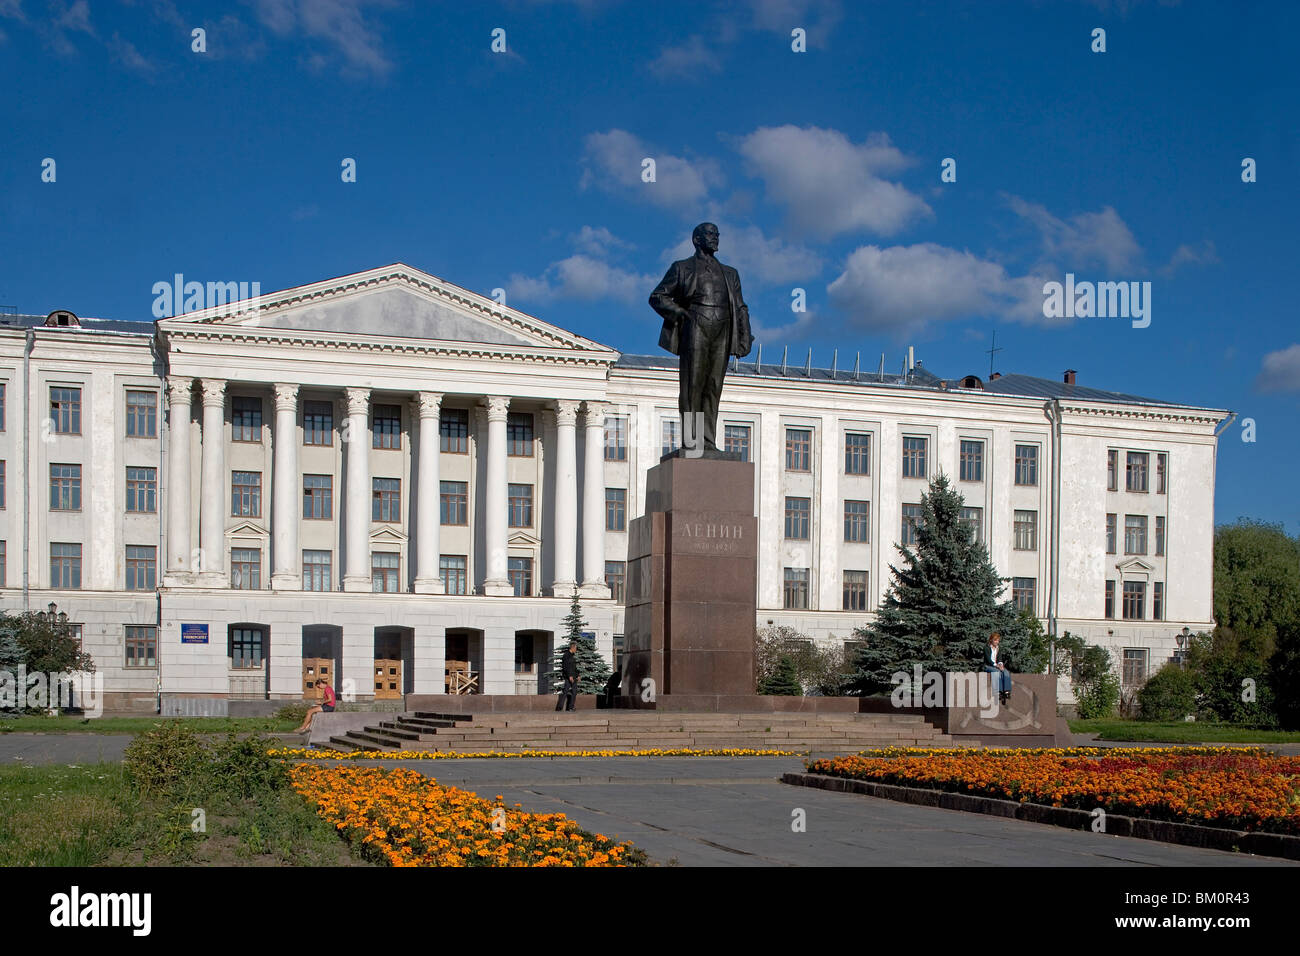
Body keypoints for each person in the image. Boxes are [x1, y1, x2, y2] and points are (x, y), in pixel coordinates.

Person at [648, 222, 754, 454]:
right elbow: (657, 297)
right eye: (709, 234)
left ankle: (707, 441)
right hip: (696, 324)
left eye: (717, 234)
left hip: (723, 330)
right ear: (696, 239)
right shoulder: (682, 268)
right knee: (693, 385)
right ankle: (691, 442)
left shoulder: (730, 273)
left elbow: (741, 306)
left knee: (713, 385)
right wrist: (682, 314)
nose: (715, 238)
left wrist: (745, 335)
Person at [982, 632, 1012, 705]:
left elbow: (999, 659)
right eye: (995, 640)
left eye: (998, 640)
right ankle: (998, 692)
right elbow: (988, 660)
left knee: (1006, 672)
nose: (997, 642)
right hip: (988, 666)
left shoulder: (998, 648)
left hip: (996, 665)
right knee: (996, 672)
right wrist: (996, 666)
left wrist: (1001, 665)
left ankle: (1006, 691)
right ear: (991, 640)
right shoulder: (986, 648)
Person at [556, 639, 579, 712]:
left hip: (573, 677)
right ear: (572, 647)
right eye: (576, 648)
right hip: (569, 677)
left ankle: (569, 707)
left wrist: (578, 675)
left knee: (573, 692)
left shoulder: (572, 656)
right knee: (566, 691)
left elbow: (574, 667)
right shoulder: (566, 655)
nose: (576, 650)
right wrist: (570, 676)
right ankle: (561, 707)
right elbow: (566, 667)